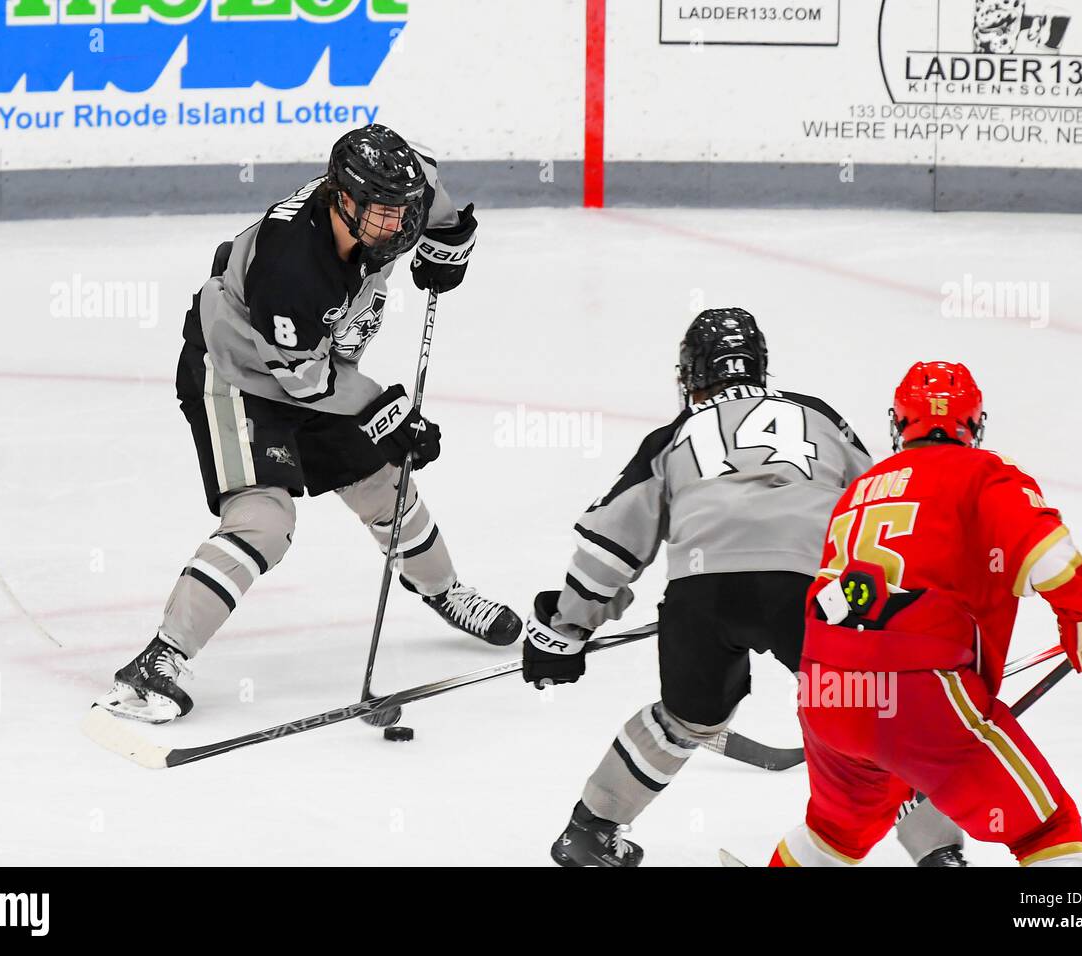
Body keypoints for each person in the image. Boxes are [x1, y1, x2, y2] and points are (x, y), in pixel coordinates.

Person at [98, 124, 520, 723]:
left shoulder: (401, 192)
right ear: (341, 200)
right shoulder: (292, 267)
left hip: (318, 365)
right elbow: (306, 383)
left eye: (406, 217)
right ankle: (158, 660)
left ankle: (444, 590)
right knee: (265, 521)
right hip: (238, 373)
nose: (398, 230)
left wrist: (449, 242)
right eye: (382, 218)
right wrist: (387, 411)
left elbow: (437, 201)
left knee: (384, 484)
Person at [523, 308, 967, 866]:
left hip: (702, 592)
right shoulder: (817, 417)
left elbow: (611, 542)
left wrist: (566, 625)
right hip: (808, 591)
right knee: (880, 711)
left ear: (690, 373)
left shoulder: (673, 436)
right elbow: (879, 506)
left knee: (688, 716)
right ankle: (937, 854)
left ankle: (589, 831)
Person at [770, 361, 1082, 867]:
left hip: (825, 692)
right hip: (918, 694)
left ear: (899, 423)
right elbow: (1049, 559)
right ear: (975, 424)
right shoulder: (986, 473)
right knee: (1046, 830)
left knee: (834, 832)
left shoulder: (860, 488)